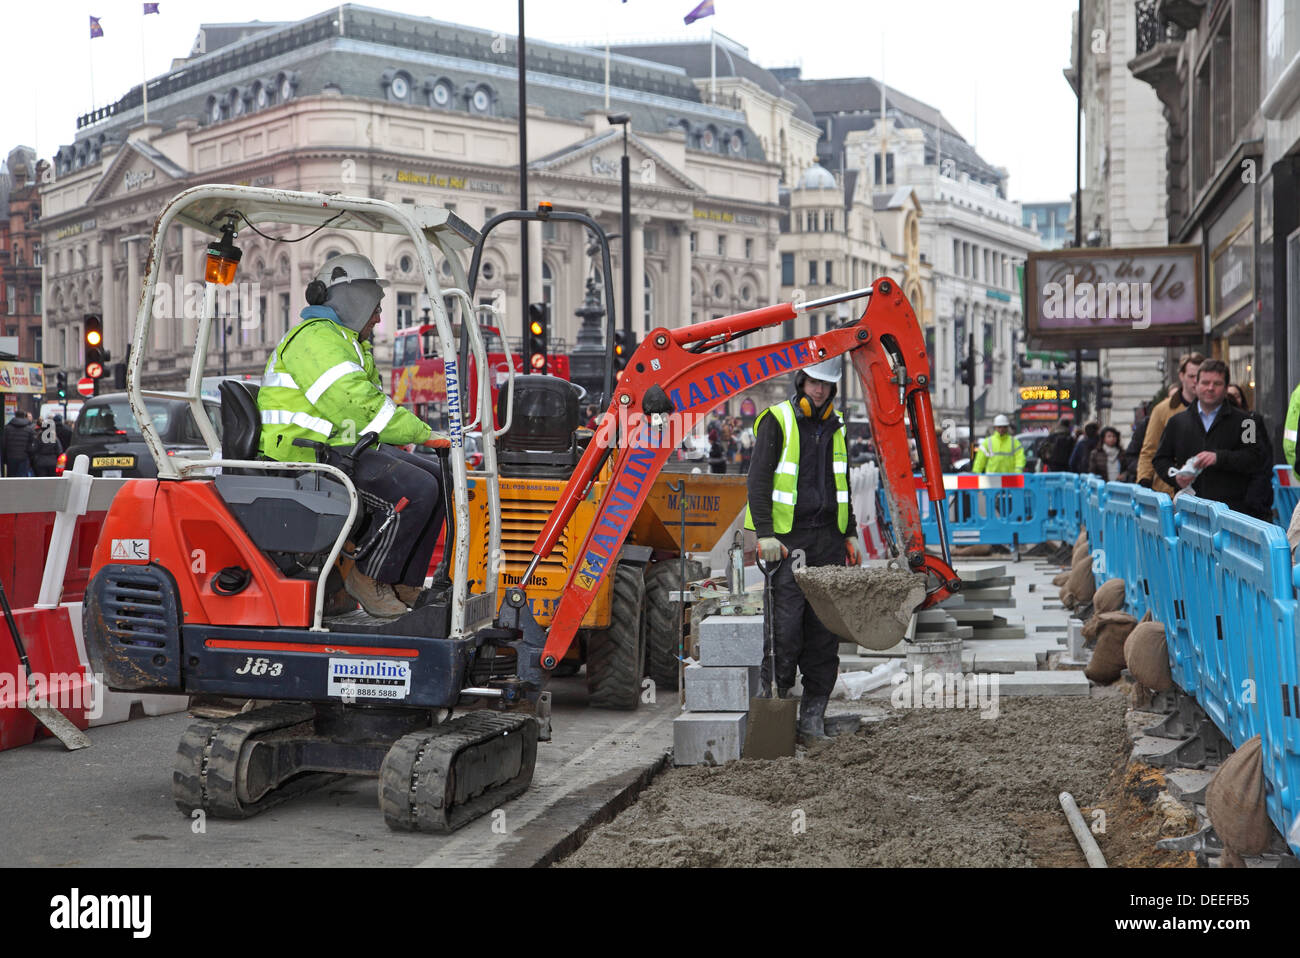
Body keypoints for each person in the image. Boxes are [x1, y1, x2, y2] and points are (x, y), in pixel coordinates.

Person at [259, 253, 446, 619]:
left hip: (337, 450)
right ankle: (368, 576)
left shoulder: (344, 342)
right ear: (353, 301)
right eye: (375, 307)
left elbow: (366, 406)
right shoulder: (316, 341)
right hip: (305, 457)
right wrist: (423, 433)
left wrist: (404, 438)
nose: (378, 317)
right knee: (417, 489)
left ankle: (402, 582)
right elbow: (357, 406)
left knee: (440, 478)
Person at [744, 358, 859, 740]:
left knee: (824, 632)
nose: (820, 390)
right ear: (801, 382)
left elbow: (842, 485)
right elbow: (758, 481)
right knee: (785, 630)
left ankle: (812, 718)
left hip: (827, 539)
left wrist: (851, 532)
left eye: (826, 385)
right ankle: (775, 718)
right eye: (814, 383)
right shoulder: (778, 420)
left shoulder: (836, 427)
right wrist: (764, 534)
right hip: (787, 541)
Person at [1152, 359, 1267, 515]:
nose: (1210, 388)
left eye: (1217, 384)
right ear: (1196, 385)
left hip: (1232, 514)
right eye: (1205, 383)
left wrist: (1219, 457)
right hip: (1190, 513)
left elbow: (1256, 458)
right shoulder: (1176, 422)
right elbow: (1160, 459)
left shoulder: (1247, 421)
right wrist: (1175, 477)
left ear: (1226, 387)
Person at [1139, 352, 1203, 495]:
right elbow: (1149, 450)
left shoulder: (1214, 409)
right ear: (1181, 376)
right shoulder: (1162, 410)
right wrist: (1144, 482)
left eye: (1200, 376)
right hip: (1168, 490)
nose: (1196, 381)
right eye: (1191, 376)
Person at [1224, 382, 1275, 521]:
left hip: (1253, 500)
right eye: (1229, 396)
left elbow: (1260, 458)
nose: (1233, 400)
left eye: (1236, 396)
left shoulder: (1249, 422)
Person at [3, 409, 37, 477]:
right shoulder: (29, 429)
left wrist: (5, 458)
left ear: (15, 415)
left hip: (11, 457)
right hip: (24, 457)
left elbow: (4, 444)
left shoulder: (7, 428)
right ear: (24, 416)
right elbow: (31, 445)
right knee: (22, 477)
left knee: (11, 477)